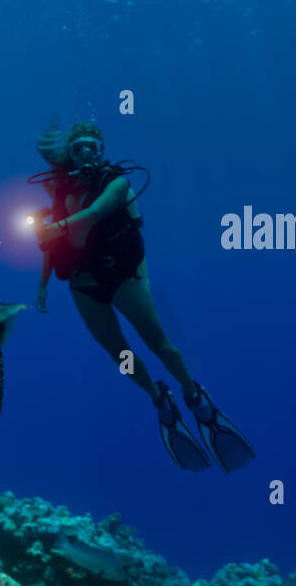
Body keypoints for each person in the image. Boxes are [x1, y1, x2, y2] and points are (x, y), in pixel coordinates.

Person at [32, 120, 255, 472]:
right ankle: (157, 397)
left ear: (102, 149)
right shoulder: (60, 192)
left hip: (124, 277)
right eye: (79, 148)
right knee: (119, 353)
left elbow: (94, 213)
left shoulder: (118, 183)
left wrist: (53, 227)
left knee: (159, 343)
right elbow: (54, 242)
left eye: (93, 145)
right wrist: (43, 280)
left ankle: (194, 394)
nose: (87, 153)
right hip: (82, 283)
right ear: (70, 154)